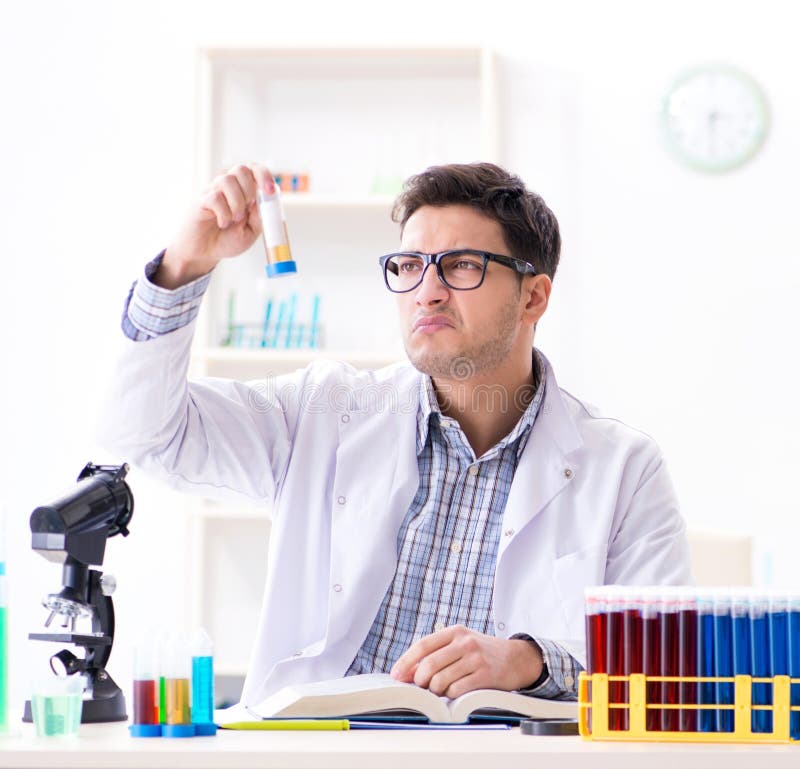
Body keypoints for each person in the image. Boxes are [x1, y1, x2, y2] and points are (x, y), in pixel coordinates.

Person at [98, 161, 691, 707]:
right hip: (323, 748)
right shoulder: (322, 410)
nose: (426, 290)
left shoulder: (622, 468)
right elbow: (144, 434)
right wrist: (183, 266)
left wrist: (529, 662)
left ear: (533, 296)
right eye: (409, 266)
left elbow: (665, 671)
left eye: (462, 265)